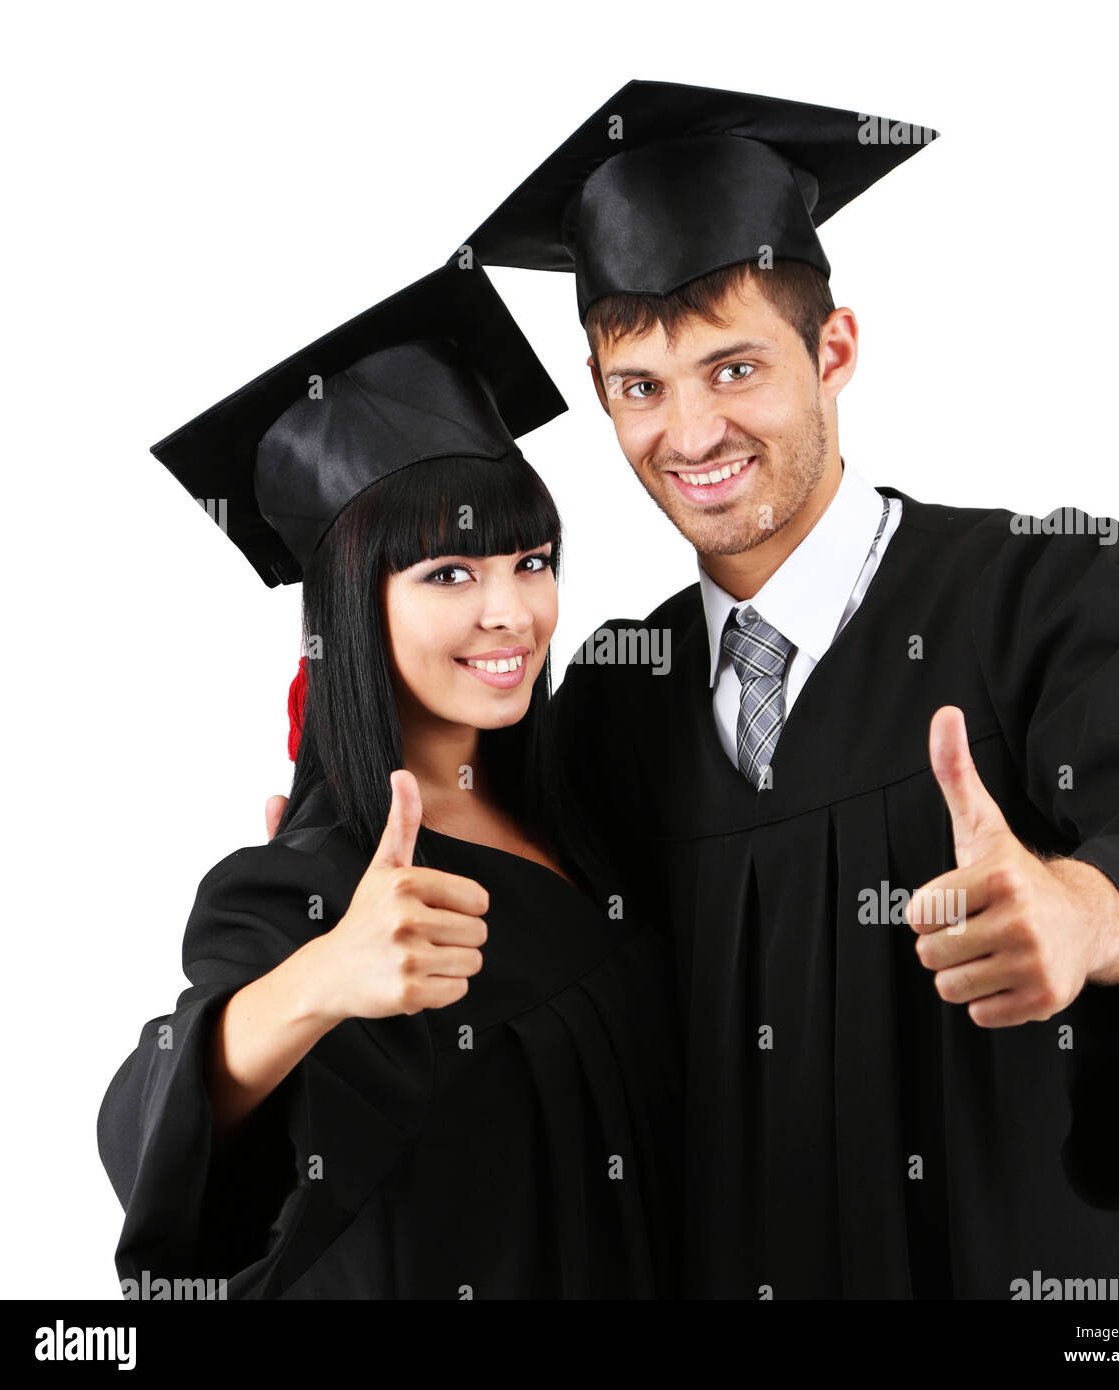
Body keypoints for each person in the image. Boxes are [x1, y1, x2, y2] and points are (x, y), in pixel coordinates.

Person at [456, 79, 1119, 1298]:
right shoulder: (611, 706)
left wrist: (1089, 912)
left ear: (833, 351)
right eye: (640, 386)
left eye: (733, 368)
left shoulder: (1045, 597)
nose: (689, 432)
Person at [96, 261, 682, 1300]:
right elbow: (146, 1127)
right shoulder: (316, 881)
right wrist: (323, 977)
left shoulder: (582, 805)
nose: (511, 612)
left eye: (530, 560)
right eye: (449, 574)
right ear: (351, 613)